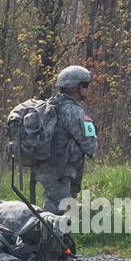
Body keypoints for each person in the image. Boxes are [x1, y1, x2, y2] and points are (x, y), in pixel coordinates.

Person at [38, 65, 98, 214]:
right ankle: (50, 237)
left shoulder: (50, 105)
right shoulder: (75, 112)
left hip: (45, 165)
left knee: (54, 207)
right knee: (56, 212)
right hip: (61, 169)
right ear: (73, 87)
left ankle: (53, 235)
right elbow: (90, 144)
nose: (87, 89)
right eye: (85, 85)